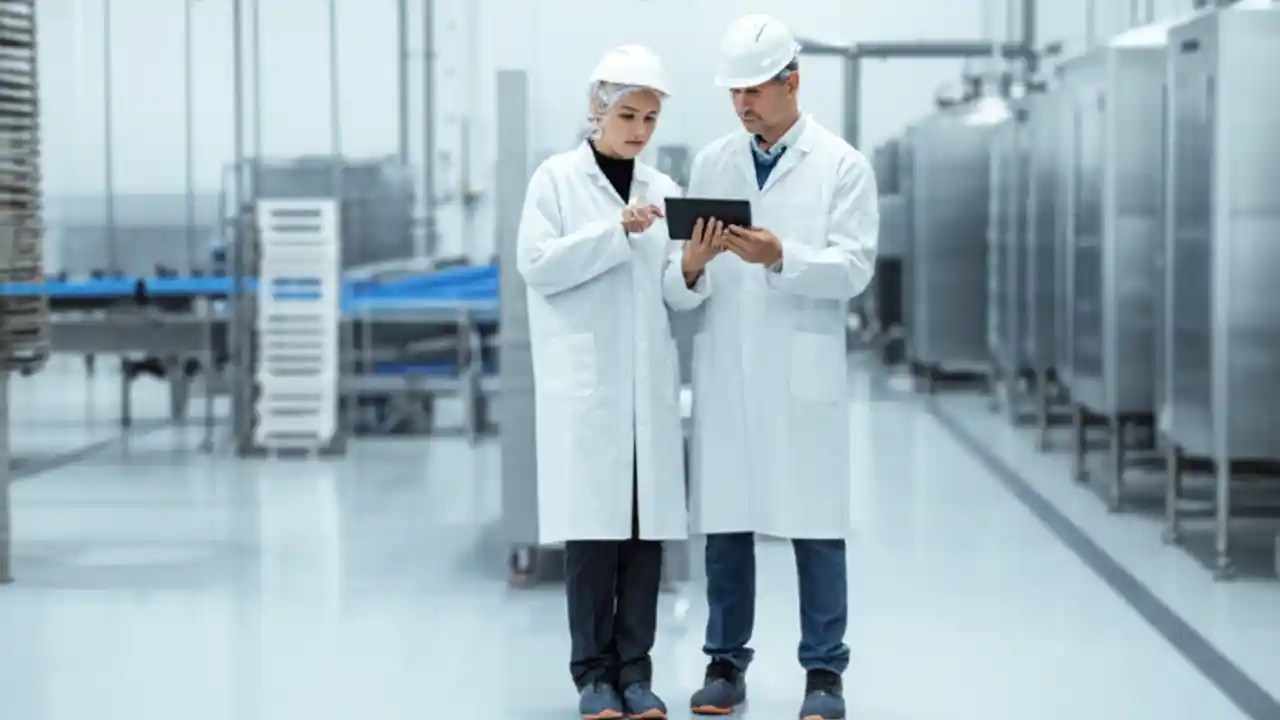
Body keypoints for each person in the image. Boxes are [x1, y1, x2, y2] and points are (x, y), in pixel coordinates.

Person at [662, 13, 880, 720]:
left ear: (793, 80)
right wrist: (690, 267)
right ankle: (725, 663)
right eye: (733, 93)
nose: (742, 104)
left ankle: (824, 675)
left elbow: (853, 268)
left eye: (754, 89)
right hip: (728, 366)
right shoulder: (713, 162)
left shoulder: (843, 166)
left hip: (800, 366)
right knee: (725, 523)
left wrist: (779, 255)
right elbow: (682, 281)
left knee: (816, 525)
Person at [516, 44, 719, 720]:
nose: (638, 129)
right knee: (593, 539)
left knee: (643, 538)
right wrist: (614, 230)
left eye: (650, 118)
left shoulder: (661, 189)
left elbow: (675, 295)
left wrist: (690, 264)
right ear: (596, 111)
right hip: (589, 389)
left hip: (645, 388)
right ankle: (593, 677)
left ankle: (636, 674)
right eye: (627, 114)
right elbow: (538, 266)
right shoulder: (555, 181)